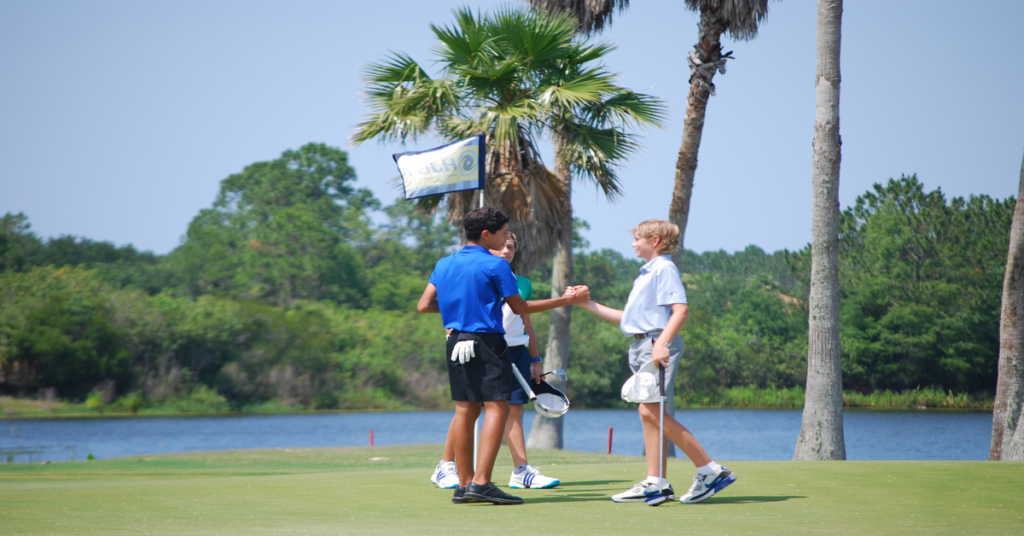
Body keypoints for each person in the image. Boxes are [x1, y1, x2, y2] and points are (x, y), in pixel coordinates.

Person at [417, 207, 588, 505]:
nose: (507, 237)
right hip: (488, 343)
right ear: (486, 235)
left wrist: (460, 314)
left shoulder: (444, 263)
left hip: (455, 341)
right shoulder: (497, 266)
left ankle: (465, 484)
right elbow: (520, 308)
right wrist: (565, 299)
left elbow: (424, 305)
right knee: (498, 409)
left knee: (465, 410)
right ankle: (481, 484)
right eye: (503, 232)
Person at [572, 219, 736, 504]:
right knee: (648, 412)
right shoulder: (647, 273)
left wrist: (660, 344)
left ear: (656, 241)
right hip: (642, 343)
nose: (633, 244)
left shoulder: (664, 269)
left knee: (652, 413)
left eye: (638, 239)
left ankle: (710, 471)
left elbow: (681, 311)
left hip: (655, 345)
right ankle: (655, 482)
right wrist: (585, 303)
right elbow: (629, 319)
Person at [429, 232, 560, 491]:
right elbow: (456, 307)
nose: (507, 250)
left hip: (514, 350)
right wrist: (454, 334)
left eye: (511, 246)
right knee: (468, 408)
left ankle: (521, 470)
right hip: (480, 347)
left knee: (512, 409)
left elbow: (526, 321)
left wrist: (535, 359)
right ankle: (446, 466)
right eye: (503, 245)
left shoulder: (523, 282)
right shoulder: (478, 273)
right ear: (490, 244)